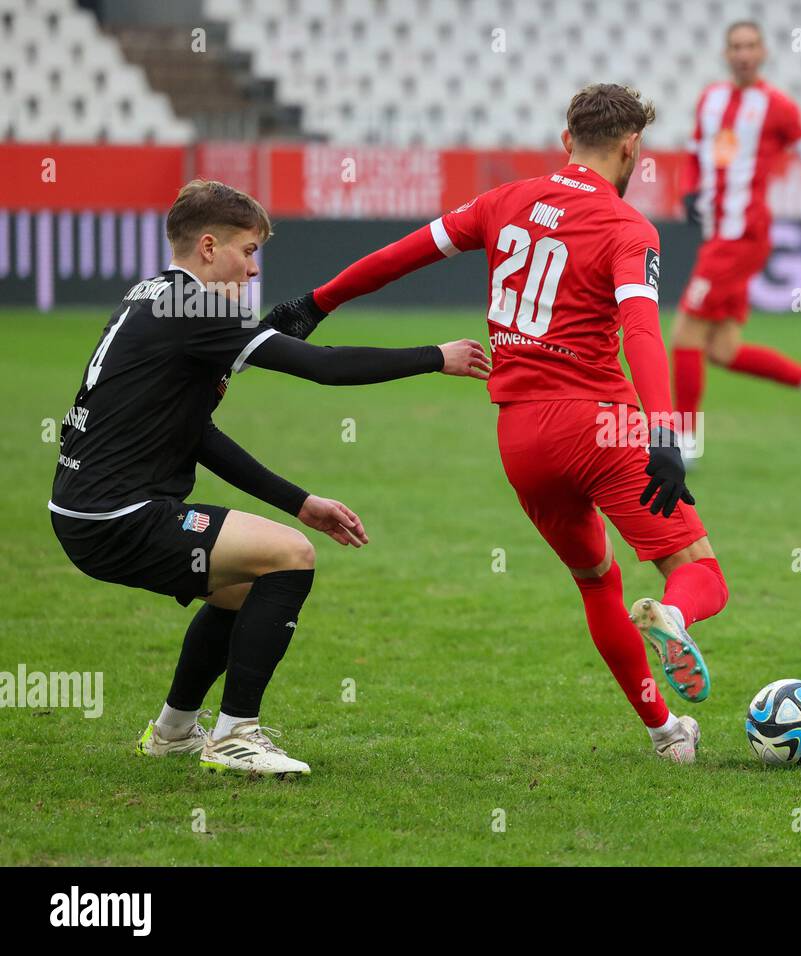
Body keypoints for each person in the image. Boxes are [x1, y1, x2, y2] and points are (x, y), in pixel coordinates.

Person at [265, 85, 729, 764]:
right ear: (632, 148)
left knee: (597, 580)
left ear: (566, 139)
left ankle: (665, 736)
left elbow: (404, 254)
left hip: (520, 435)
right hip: (603, 424)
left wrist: (315, 302)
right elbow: (640, 330)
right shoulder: (629, 228)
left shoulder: (502, 202)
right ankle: (675, 617)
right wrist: (662, 431)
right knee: (698, 570)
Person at [48, 179, 490, 777]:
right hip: (116, 516)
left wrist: (300, 500)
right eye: (248, 251)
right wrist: (435, 356)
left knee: (244, 586)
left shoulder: (155, 295)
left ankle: (174, 731)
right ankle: (235, 736)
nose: (255, 269)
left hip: (88, 511)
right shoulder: (195, 307)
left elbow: (195, 433)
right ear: (208, 247)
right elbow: (323, 368)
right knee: (290, 556)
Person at [671, 20, 801, 461]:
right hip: (718, 234)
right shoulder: (710, 100)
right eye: (735, 46)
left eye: (751, 46)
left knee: (684, 332)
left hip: (743, 235)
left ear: (764, 52)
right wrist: (690, 190)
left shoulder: (778, 107)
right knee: (722, 350)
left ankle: (683, 443)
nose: (743, 53)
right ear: (726, 53)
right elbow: (696, 157)